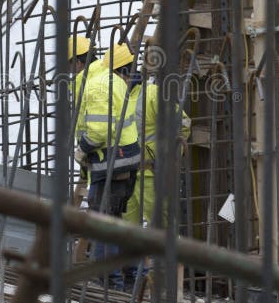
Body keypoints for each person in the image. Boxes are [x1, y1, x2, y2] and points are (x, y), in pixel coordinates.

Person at [121, 42, 191, 290]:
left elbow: (182, 124)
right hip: (127, 176)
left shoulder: (152, 95)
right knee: (127, 231)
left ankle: (168, 285)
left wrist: (167, 156)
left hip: (152, 175)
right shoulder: (120, 97)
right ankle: (132, 284)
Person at [73, 42, 141, 290]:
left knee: (102, 221)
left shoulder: (98, 85)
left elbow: (99, 130)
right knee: (114, 220)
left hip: (112, 161)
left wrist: (83, 148)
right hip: (125, 159)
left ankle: (110, 281)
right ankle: (132, 276)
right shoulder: (113, 82)